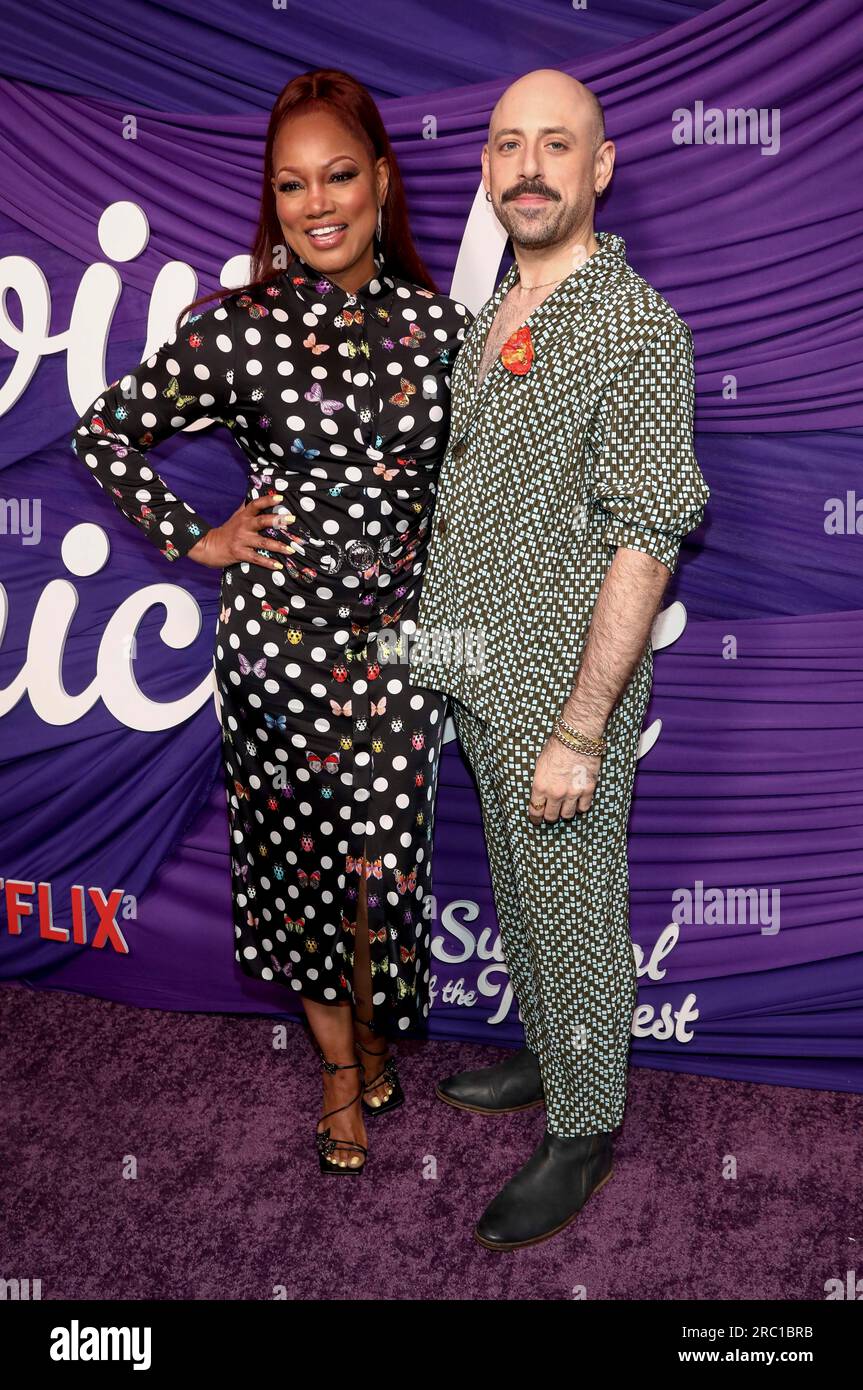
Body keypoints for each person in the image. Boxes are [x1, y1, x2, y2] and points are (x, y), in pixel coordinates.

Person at [70, 69, 472, 1177]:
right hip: (275, 650)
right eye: (291, 184)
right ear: (274, 200)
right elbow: (102, 432)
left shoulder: (446, 333)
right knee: (297, 865)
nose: (318, 201)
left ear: (381, 182)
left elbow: (486, 497)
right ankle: (339, 1067)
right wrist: (194, 534)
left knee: (382, 871)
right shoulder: (234, 331)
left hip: (400, 646)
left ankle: (374, 1028)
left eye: (339, 174)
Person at [408, 69, 710, 1247]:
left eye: (555, 146)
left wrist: (581, 726)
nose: (526, 167)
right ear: (487, 171)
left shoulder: (633, 327)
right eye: (504, 147)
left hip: (556, 686)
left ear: (600, 168)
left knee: (574, 907)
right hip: (471, 667)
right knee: (526, 896)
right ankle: (544, 1055)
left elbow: (648, 533)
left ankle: (583, 1127)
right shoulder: (493, 312)